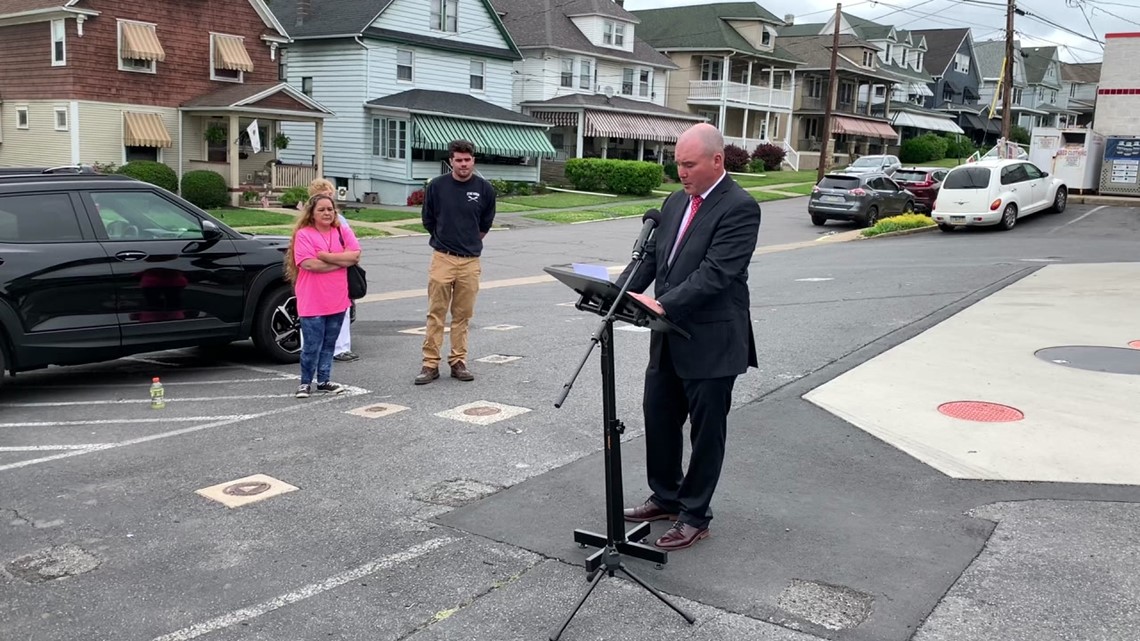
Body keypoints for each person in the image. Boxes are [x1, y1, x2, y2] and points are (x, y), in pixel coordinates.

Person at [616, 123, 761, 551]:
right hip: (667, 337)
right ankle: (666, 496)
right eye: (678, 163)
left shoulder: (740, 207)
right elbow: (652, 260)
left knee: (705, 431)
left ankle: (695, 514)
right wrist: (617, 292)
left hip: (713, 342)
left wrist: (665, 303)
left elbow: (717, 273)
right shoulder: (675, 201)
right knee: (659, 418)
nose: (680, 172)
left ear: (717, 160)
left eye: (689, 164)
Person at [414, 139, 496, 385]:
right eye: (458, 160)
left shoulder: (485, 189)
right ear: (451, 161)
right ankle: (430, 364)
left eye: (467, 160)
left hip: (470, 260)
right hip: (442, 258)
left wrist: (468, 241)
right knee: (436, 313)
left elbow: (485, 224)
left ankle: (458, 361)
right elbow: (428, 219)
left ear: (474, 161)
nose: (463, 164)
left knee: (462, 315)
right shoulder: (437, 186)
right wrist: (444, 240)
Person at [285, 194, 361, 398]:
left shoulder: (341, 231)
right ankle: (305, 382)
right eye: (322, 209)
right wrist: (340, 261)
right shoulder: (304, 234)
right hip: (312, 299)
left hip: (337, 298)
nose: (327, 213)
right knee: (311, 345)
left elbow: (354, 255)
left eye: (330, 209)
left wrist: (326, 256)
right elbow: (309, 264)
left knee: (329, 344)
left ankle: (324, 380)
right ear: (312, 213)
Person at [308, 178, 360, 363]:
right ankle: (331, 347)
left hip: (339, 275)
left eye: (330, 194)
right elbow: (308, 259)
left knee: (341, 310)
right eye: (324, 195)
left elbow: (353, 251)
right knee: (321, 311)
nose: (329, 199)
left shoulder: (340, 221)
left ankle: (340, 347)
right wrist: (340, 261)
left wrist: (329, 258)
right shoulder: (306, 228)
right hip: (321, 278)